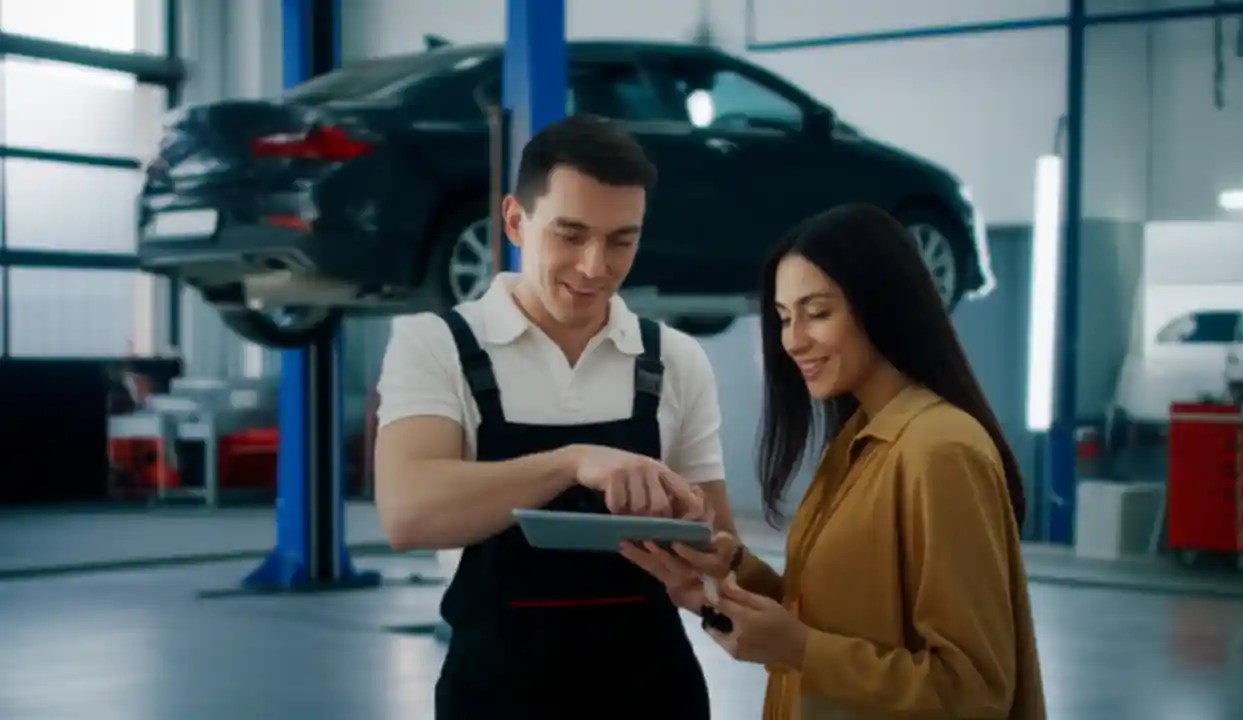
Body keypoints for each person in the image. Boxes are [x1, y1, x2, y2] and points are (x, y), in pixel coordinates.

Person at [373, 114, 739, 719]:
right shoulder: (438, 345)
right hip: (496, 698)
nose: (595, 266)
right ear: (516, 220)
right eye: (570, 235)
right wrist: (575, 463)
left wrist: (704, 555)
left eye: (622, 239)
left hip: (653, 697)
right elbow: (410, 513)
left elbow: (723, 557)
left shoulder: (673, 359)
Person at [622, 203, 1047, 719]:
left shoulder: (940, 451)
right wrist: (729, 576)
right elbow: (837, 622)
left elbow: (974, 691)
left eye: (818, 312)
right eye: (783, 318)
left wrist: (799, 649)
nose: (794, 340)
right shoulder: (858, 441)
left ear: (880, 305)